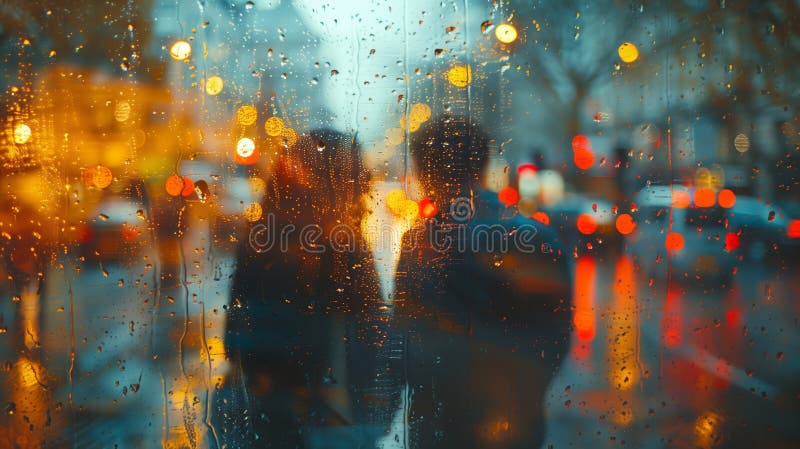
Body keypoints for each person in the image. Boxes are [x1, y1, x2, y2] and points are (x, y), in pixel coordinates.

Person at [390, 115, 573, 449]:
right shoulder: (534, 236)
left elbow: (404, 334)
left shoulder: (422, 242)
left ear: (422, 171)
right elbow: (556, 334)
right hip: (517, 419)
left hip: (437, 422)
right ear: (484, 162)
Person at [221, 129, 380, 448]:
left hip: (255, 401)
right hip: (321, 411)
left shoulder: (263, 230)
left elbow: (234, 334)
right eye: (356, 176)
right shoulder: (343, 244)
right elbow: (371, 340)